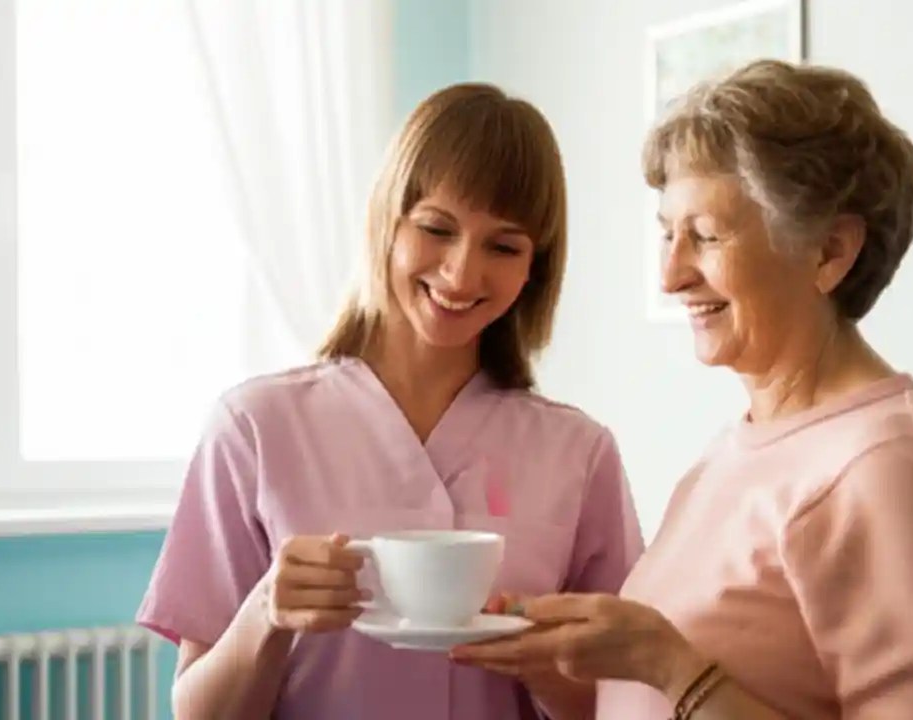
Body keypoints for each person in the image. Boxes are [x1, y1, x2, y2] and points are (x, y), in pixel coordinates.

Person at [452, 59, 913, 719]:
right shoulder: (735, 452)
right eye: (667, 234)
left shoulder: (899, 470)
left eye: (705, 236)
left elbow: (682, 683)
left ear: (829, 252)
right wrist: (560, 672)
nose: (670, 276)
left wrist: (670, 666)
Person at [137, 82, 643, 720]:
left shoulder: (580, 453)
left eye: (504, 247)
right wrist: (267, 613)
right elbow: (198, 714)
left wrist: (548, 672)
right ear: (387, 220)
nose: (462, 274)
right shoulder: (254, 429)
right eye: (437, 228)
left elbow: (628, 700)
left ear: (535, 266)